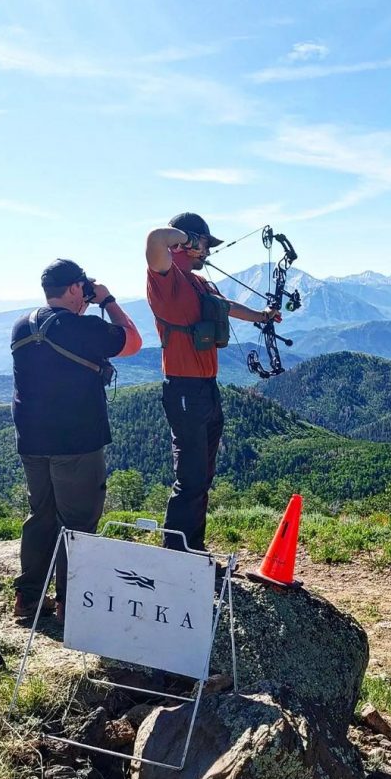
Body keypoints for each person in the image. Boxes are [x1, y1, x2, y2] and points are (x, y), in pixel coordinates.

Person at [10, 258, 142, 621]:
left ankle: (29, 600)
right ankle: (73, 604)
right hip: (76, 442)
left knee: (42, 516)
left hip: (32, 442)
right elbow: (133, 340)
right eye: (81, 288)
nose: (85, 294)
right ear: (72, 289)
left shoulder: (22, 326)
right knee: (79, 524)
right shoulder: (83, 328)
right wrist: (107, 300)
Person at [145, 212, 280, 551]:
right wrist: (187, 240)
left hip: (206, 388)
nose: (207, 252)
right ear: (186, 242)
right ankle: (176, 554)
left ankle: (194, 548)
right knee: (190, 477)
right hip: (184, 388)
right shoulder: (167, 281)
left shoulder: (199, 282)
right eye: (204, 244)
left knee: (202, 476)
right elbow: (153, 240)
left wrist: (261, 317)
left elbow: (225, 306)